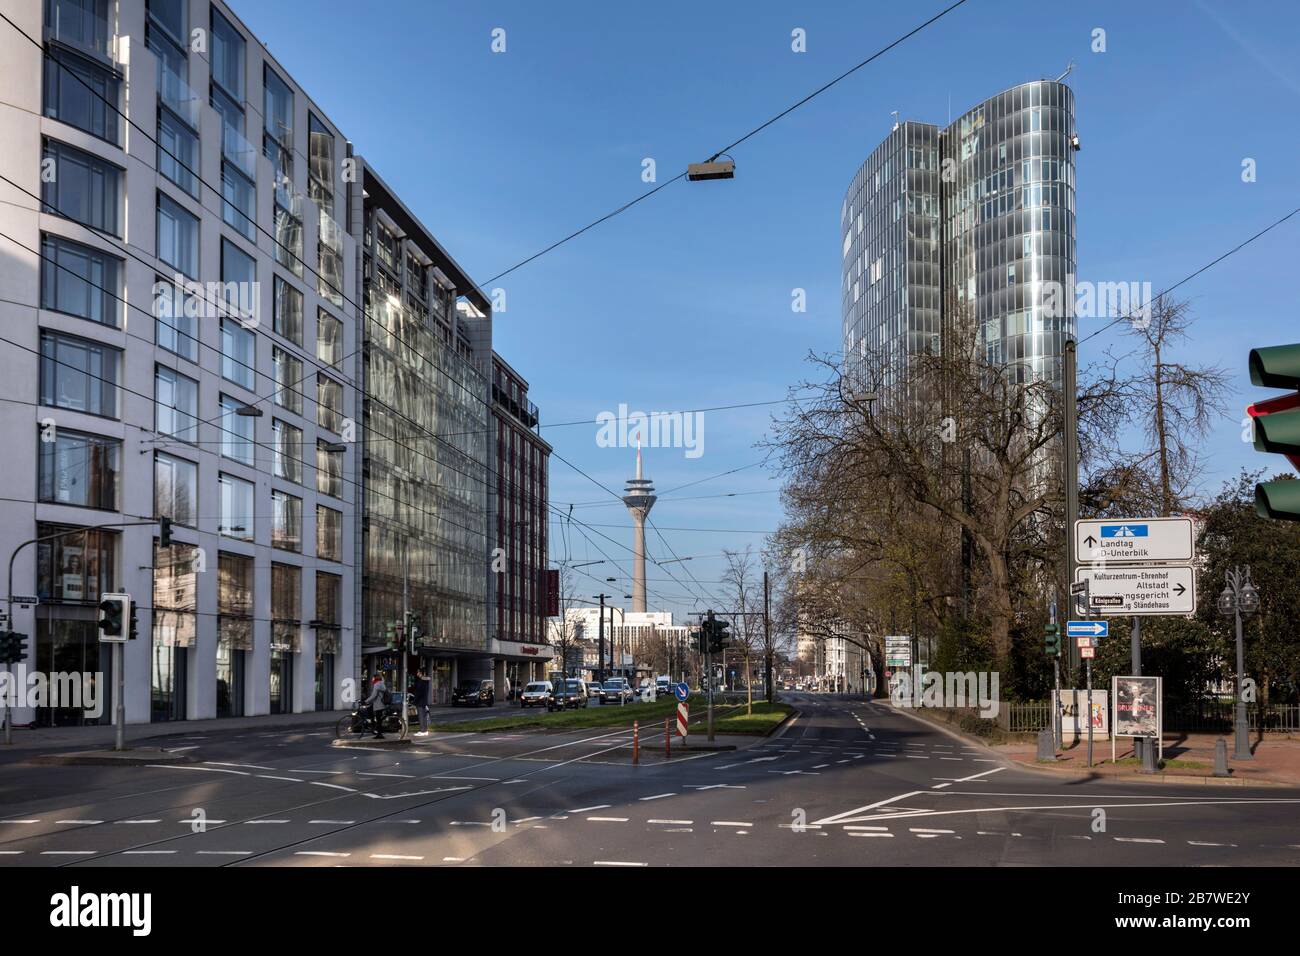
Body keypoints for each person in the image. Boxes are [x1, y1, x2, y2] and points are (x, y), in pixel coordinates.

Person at [364, 673, 387, 739]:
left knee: (378, 719)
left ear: (375, 678)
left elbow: (374, 695)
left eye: (373, 677)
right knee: (378, 718)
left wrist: (366, 701)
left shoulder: (377, 684)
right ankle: (376, 729)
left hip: (378, 704)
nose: (372, 679)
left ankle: (378, 733)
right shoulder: (381, 683)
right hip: (381, 704)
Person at [411, 668, 432, 736]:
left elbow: (418, 692)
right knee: (424, 716)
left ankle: (422, 731)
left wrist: (414, 701)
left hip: (420, 701)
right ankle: (425, 730)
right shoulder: (426, 681)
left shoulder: (421, 681)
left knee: (421, 716)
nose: (417, 674)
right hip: (424, 701)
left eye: (418, 672)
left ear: (421, 673)